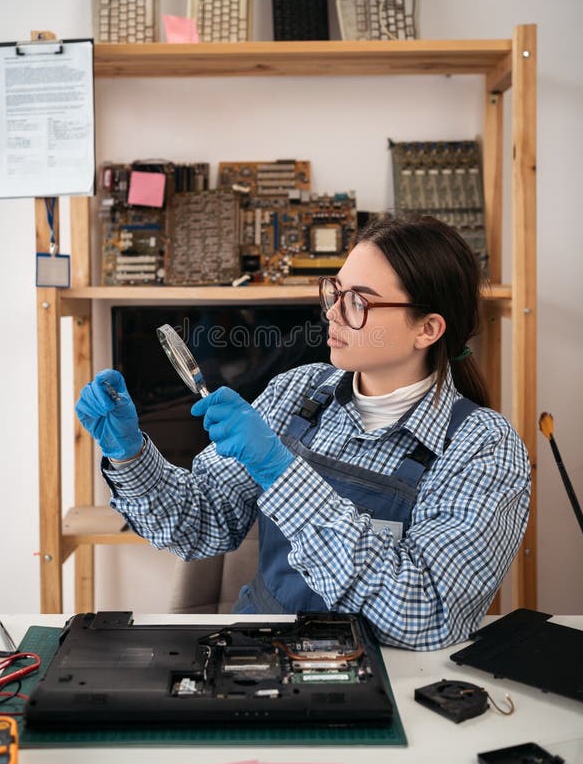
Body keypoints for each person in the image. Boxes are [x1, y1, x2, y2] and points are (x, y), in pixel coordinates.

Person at [76, 215, 530, 651]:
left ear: (427, 329)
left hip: (392, 683)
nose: (333, 311)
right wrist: (131, 456)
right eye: (335, 291)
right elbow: (199, 526)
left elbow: (427, 615)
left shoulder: (484, 447)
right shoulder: (298, 390)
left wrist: (280, 472)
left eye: (359, 301)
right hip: (261, 658)